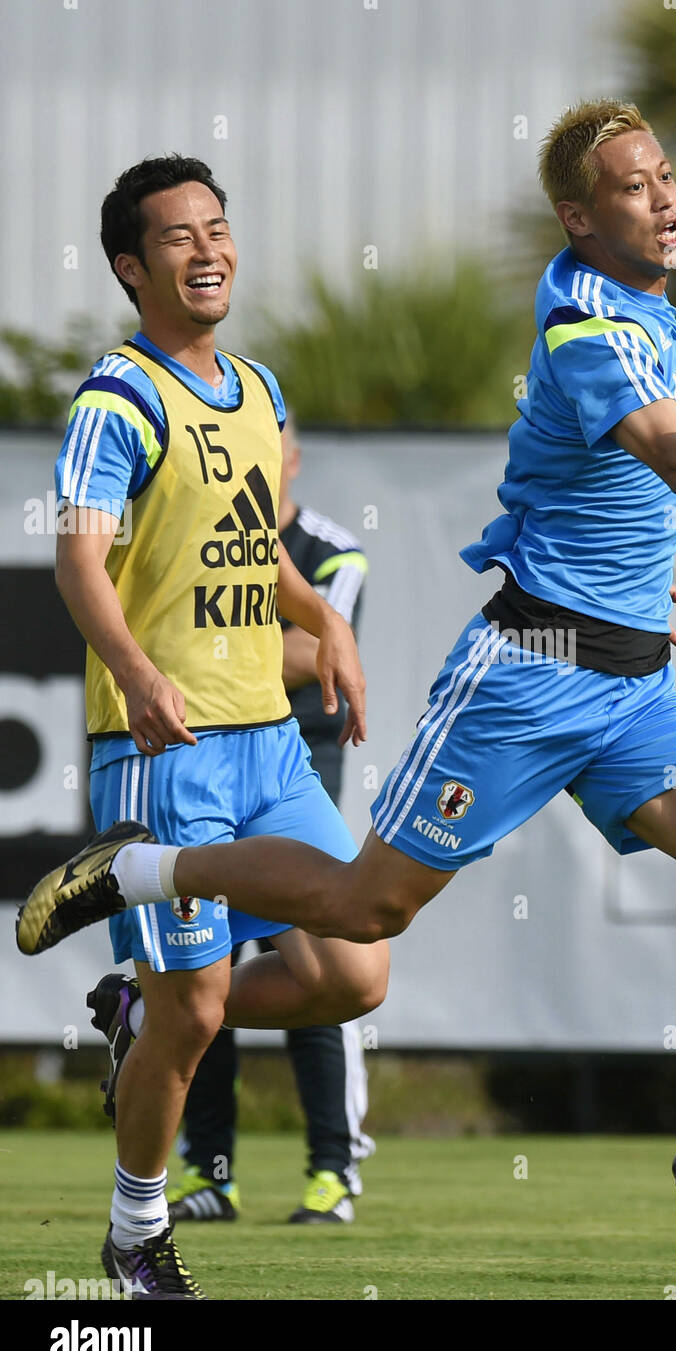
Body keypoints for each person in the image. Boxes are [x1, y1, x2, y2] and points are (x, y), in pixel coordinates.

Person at [19, 102, 676, 1236]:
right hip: (528, 673)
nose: (667, 198)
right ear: (580, 217)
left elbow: (614, 495)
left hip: (626, 679)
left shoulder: (649, 311)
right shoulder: (590, 326)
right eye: (635, 187)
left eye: (667, 176)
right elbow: (668, 455)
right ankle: (143, 876)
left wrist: (624, 595)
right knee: (363, 913)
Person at [25, 154, 388, 1299]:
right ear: (133, 268)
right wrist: (131, 667)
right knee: (196, 1013)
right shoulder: (116, 399)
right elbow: (77, 553)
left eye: (219, 228)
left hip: (268, 739)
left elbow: (254, 540)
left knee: (356, 969)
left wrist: (321, 615)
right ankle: (137, 1234)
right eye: (179, 237)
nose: (209, 249)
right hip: (164, 751)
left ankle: (134, 998)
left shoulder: (259, 390)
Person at [167, 413, 374, 1227]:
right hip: (209, 763)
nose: (259, 458)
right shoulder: (208, 532)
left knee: (324, 968)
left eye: (271, 445)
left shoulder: (331, 551)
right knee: (206, 958)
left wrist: (204, 641)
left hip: (298, 766)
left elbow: (311, 648)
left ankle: (332, 1172)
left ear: (290, 457)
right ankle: (209, 1172)